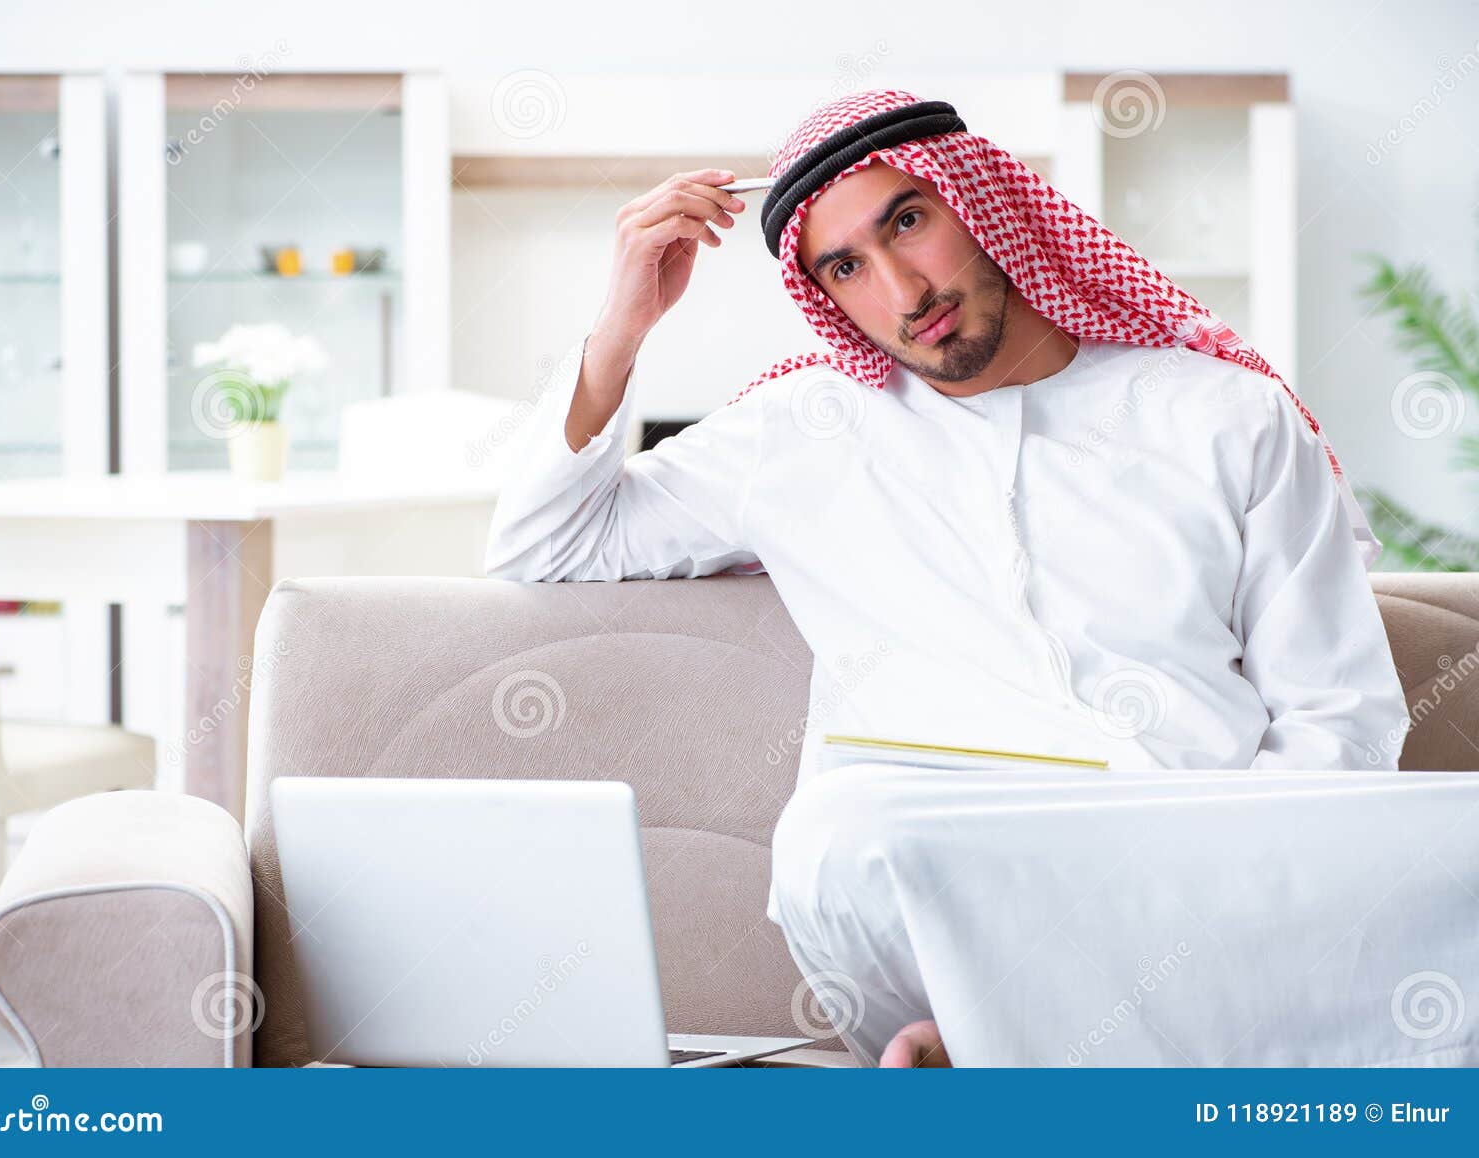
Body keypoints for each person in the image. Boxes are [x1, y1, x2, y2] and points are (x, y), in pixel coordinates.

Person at [483, 91, 1479, 1068]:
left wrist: (1238, 882)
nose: (903, 293)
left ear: (982, 201)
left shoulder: (1227, 415)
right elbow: (542, 544)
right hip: (943, 862)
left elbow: (1334, 716)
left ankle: (999, 1055)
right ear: (820, 294)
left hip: (1199, 846)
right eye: (846, 267)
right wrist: (622, 326)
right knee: (842, 828)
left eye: (907, 222)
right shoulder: (798, 433)